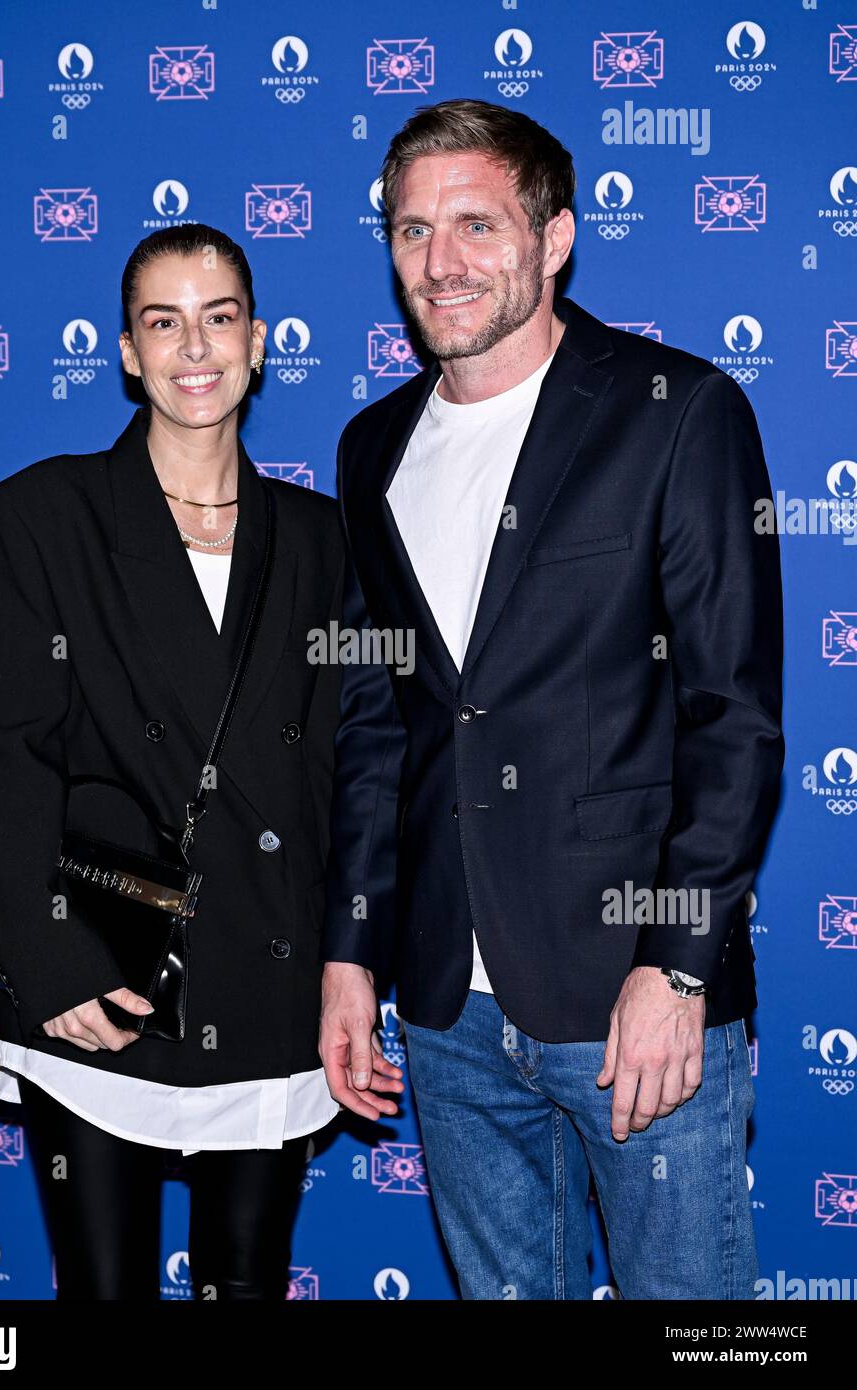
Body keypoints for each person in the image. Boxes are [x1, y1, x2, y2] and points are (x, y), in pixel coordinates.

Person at [319, 99, 784, 1300]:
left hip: (629, 993)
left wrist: (676, 969)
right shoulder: (370, 447)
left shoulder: (674, 411)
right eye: (411, 229)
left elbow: (731, 718)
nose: (440, 261)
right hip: (445, 1010)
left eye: (475, 224)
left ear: (554, 236)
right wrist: (352, 953)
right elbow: (375, 726)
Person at [0, 223, 349, 1301]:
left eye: (219, 318)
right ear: (129, 353)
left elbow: (347, 768)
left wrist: (348, 964)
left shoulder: (323, 538)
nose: (195, 348)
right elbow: (7, 758)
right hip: (102, 979)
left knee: (246, 1286)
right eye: (163, 323)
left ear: (258, 342)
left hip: (268, 982)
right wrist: (51, 963)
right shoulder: (40, 518)